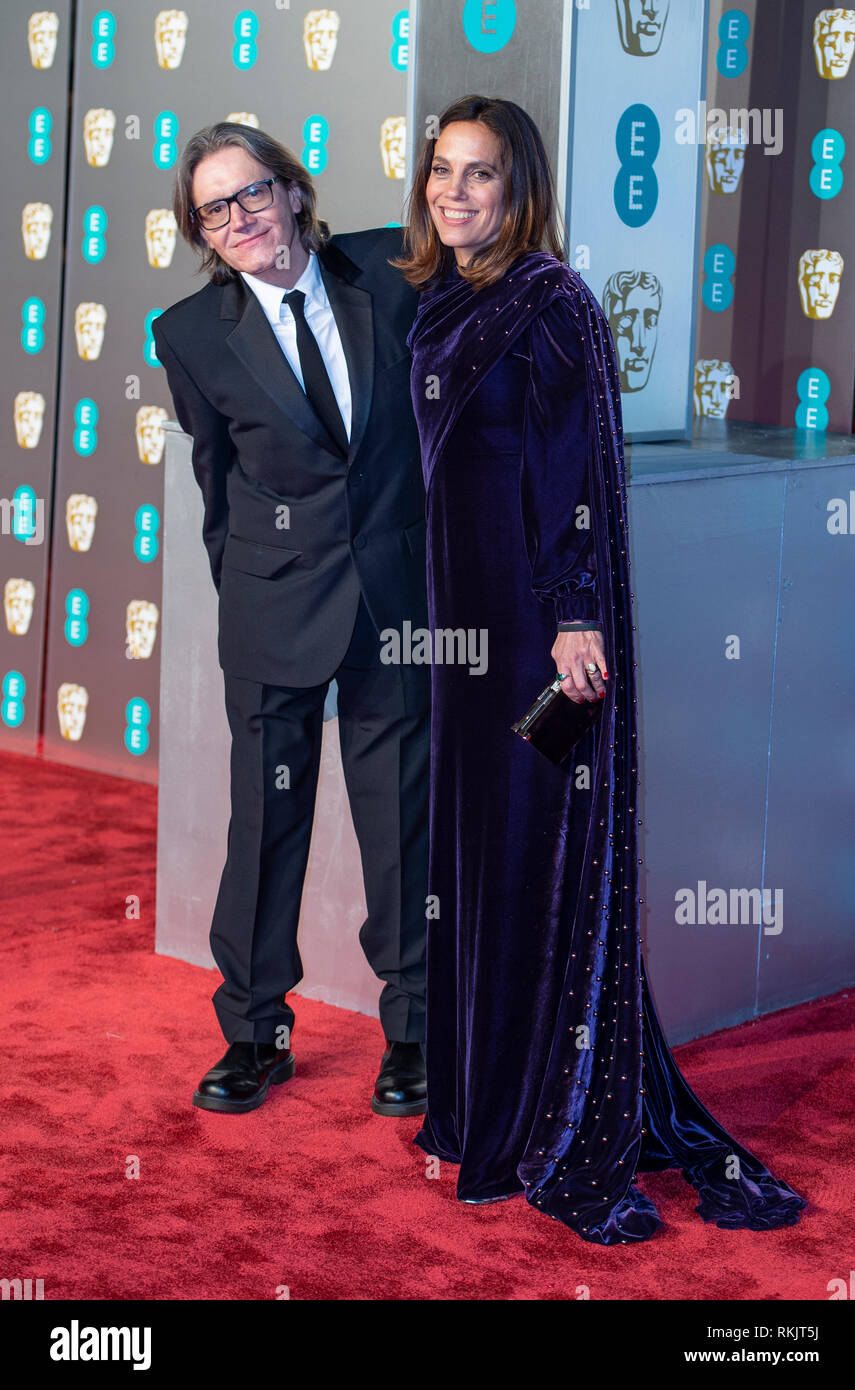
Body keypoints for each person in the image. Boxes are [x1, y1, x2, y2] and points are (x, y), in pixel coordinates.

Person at [396, 96, 807, 1244]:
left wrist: (575, 618)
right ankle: (482, 1101)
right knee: (480, 859)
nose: (454, 193)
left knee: (541, 860)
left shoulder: (551, 302)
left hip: (537, 638)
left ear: (517, 187)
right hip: (462, 637)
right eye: (440, 172)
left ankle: (553, 1115)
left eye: (478, 175)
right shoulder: (438, 298)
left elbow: (572, 467)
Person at [153, 123, 429, 1118]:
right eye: (213, 208)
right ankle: (254, 1032)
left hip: (396, 599)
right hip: (274, 607)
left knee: (401, 820)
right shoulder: (187, 333)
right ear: (199, 228)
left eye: (253, 193)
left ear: (294, 190)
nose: (240, 219)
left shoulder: (392, 273)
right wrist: (249, 598)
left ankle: (413, 1034)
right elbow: (216, 486)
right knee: (266, 822)